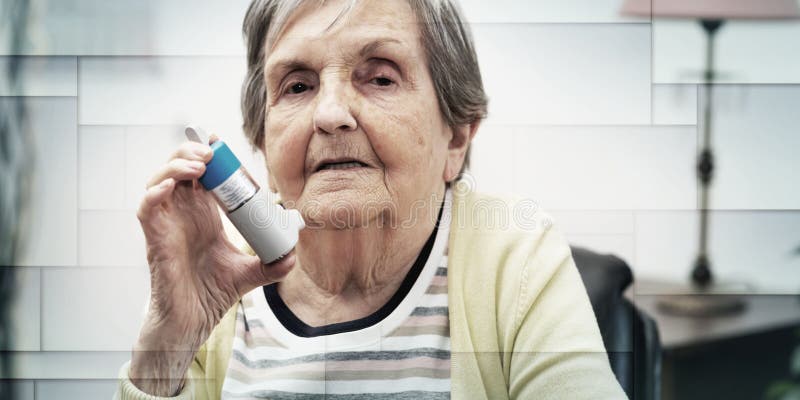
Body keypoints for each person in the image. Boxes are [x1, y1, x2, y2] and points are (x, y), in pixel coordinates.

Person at [116, 0, 627, 398]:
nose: (330, 113)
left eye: (380, 77)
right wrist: (167, 343)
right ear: (263, 143)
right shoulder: (215, 265)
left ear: (455, 137)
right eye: (297, 86)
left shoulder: (514, 256)